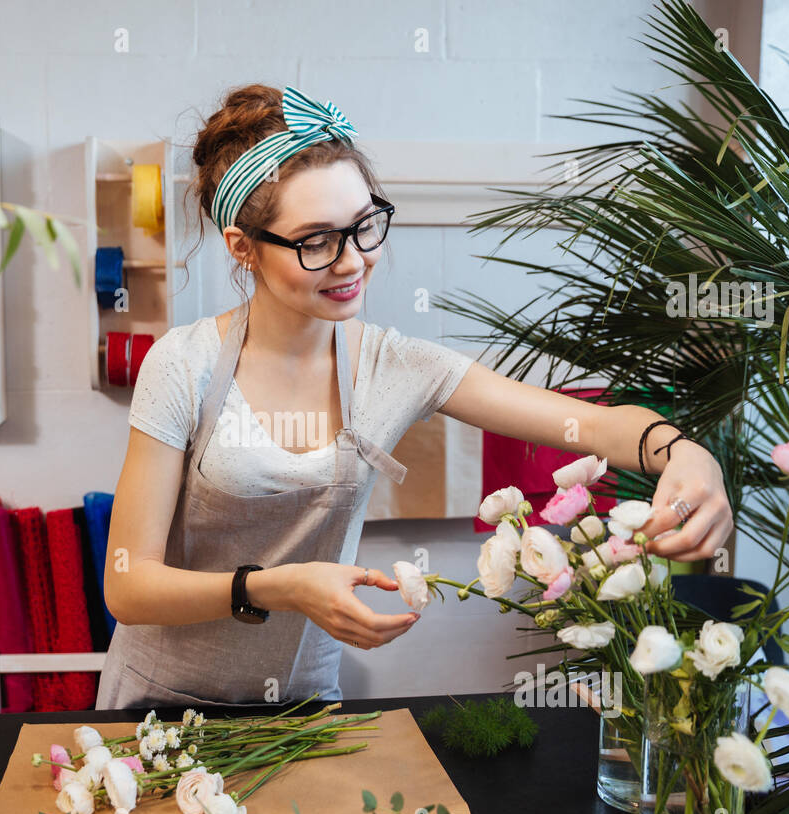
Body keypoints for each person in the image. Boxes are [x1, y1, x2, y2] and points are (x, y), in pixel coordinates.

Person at [96, 84, 733, 710]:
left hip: (305, 710)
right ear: (244, 247)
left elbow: (593, 427)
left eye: (364, 226)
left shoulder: (394, 365)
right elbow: (128, 585)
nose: (352, 262)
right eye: (316, 241)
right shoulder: (184, 365)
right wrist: (282, 588)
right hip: (160, 712)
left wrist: (683, 453)